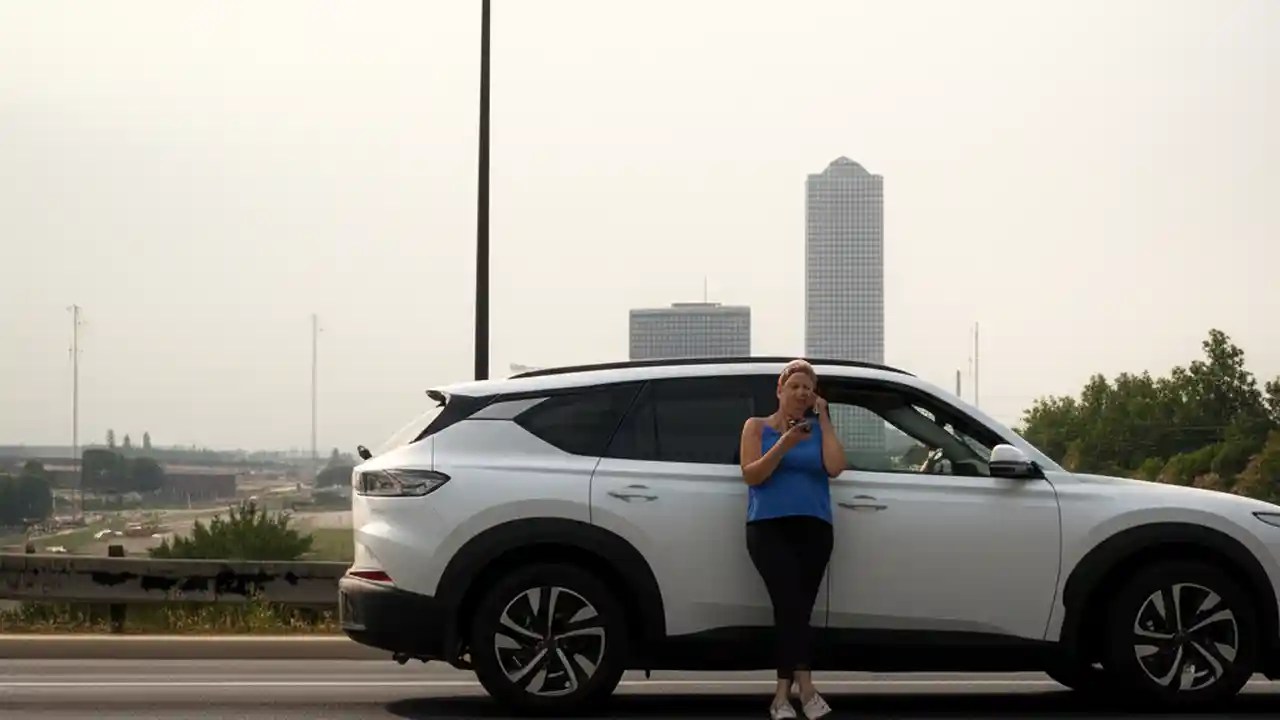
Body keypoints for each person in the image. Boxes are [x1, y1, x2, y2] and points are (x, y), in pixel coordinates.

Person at [739, 359, 848, 720]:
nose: (802, 393)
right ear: (780, 390)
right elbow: (752, 475)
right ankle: (807, 688)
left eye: (809, 387)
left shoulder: (818, 429)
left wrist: (825, 418)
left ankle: (782, 696)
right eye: (795, 386)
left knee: (798, 609)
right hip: (769, 527)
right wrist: (784, 443)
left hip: (815, 527)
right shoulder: (756, 427)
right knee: (788, 602)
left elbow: (835, 467)